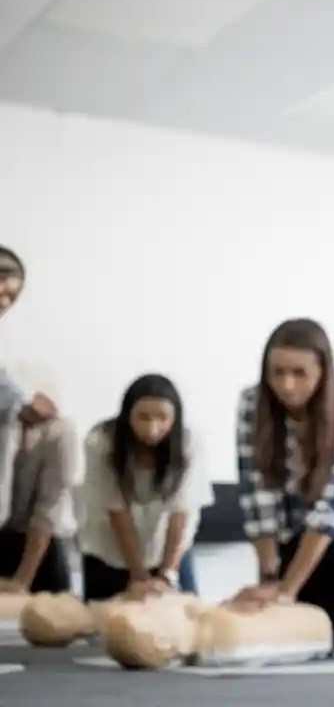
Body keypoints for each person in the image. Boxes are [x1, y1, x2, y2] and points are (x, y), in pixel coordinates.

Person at [231, 318, 334, 653]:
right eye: (278, 373)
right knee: (274, 619)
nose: (287, 386)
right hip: (286, 527)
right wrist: (270, 581)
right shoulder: (251, 404)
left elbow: (330, 512)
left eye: (299, 373)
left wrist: (287, 593)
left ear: (322, 371)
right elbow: (258, 496)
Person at [78, 374, 213, 601]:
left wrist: (167, 575)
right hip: (110, 550)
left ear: (175, 418)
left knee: (184, 620)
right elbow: (117, 511)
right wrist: (139, 576)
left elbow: (180, 514)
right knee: (106, 624)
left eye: (162, 418)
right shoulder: (101, 442)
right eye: (143, 417)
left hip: (169, 548)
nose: (152, 429)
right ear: (127, 414)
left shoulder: (188, 444)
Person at [0, 246, 76, 595]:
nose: (5, 301)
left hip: (27, 547)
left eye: (12, 295)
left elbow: (50, 506)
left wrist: (22, 580)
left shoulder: (55, 433)